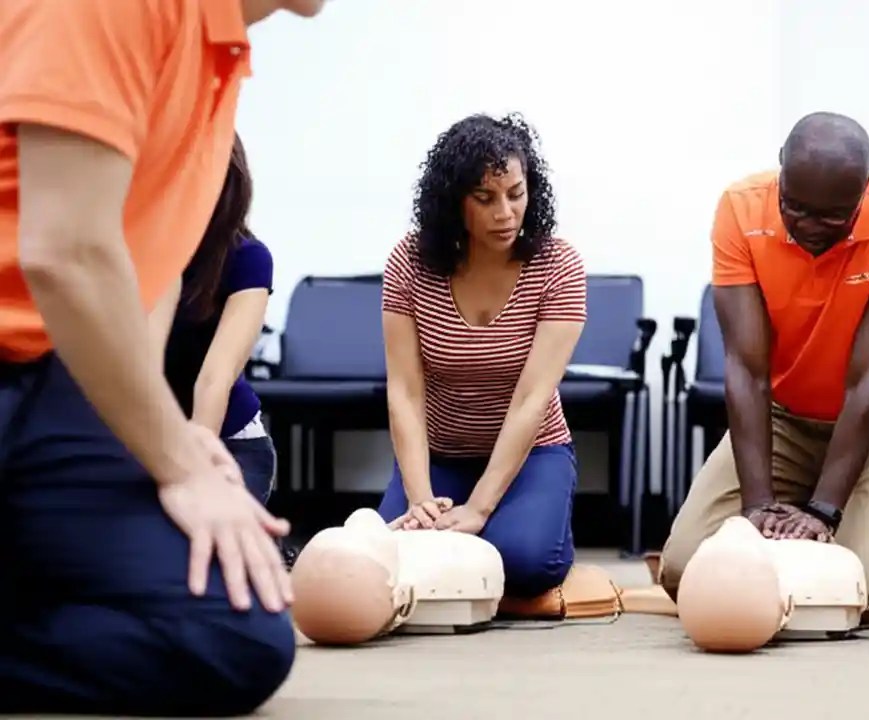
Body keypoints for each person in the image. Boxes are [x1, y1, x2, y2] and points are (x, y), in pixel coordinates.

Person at [0, 0, 325, 715]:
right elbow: (67, 253)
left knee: (233, 635)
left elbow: (136, 275)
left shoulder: (219, 60)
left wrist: (173, 443)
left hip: (53, 382)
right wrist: (175, 456)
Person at [658, 111, 869, 626]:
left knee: (865, 590)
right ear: (780, 172)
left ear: (866, 188)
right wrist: (757, 508)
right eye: (795, 208)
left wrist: (822, 511)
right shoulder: (740, 209)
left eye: (833, 216)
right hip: (786, 417)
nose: (811, 228)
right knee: (685, 570)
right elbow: (746, 370)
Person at [375, 113, 587, 599]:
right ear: (454, 201)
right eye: (485, 198)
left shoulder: (558, 264)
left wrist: (480, 509)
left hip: (532, 454)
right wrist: (421, 498)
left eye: (516, 193)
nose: (506, 213)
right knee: (394, 555)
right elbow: (405, 391)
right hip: (442, 456)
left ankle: (537, 520)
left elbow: (532, 398)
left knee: (526, 564)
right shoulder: (409, 261)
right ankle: (481, 528)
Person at [163, 133, 277, 505]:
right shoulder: (142, 250)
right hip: (150, 434)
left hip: (227, 442)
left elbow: (215, 378)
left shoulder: (248, 257)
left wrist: (196, 477)